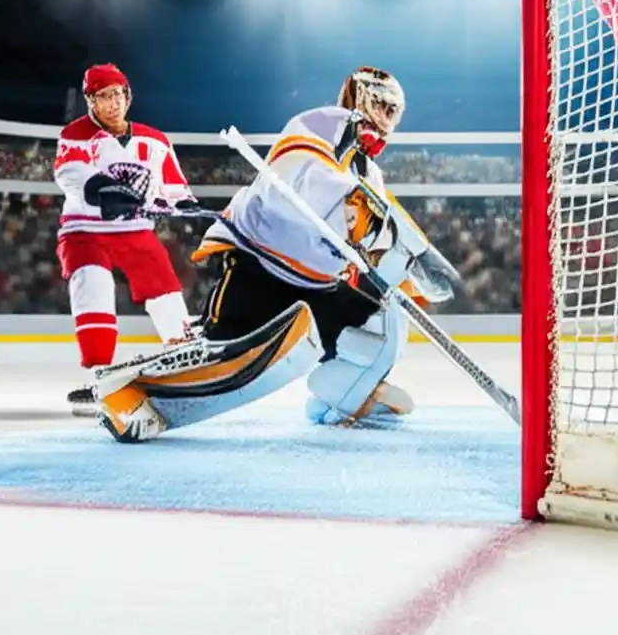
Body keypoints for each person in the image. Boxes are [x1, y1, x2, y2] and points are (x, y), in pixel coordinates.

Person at [95, 66, 458, 442]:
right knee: (229, 358)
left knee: (380, 321)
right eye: (382, 105)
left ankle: (346, 397)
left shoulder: (370, 172)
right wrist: (352, 203)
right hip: (260, 265)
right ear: (361, 98)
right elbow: (302, 176)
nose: (387, 118)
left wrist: (407, 273)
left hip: (317, 285)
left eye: (393, 110)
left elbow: (380, 235)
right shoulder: (324, 125)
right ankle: (129, 392)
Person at [52, 63, 197, 415]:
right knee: (94, 284)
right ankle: (99, 373)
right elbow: (69, 172)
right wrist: (101, 189)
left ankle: (186, 356)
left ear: (128, 96)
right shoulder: (76, 133)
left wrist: (189, 207)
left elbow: (174, 189)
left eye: (119, 94)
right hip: (84, 229)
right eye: (104, 96)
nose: (114, 103)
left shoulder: (156, 140)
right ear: (90, 101)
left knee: (162, 281)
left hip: (133, 229)